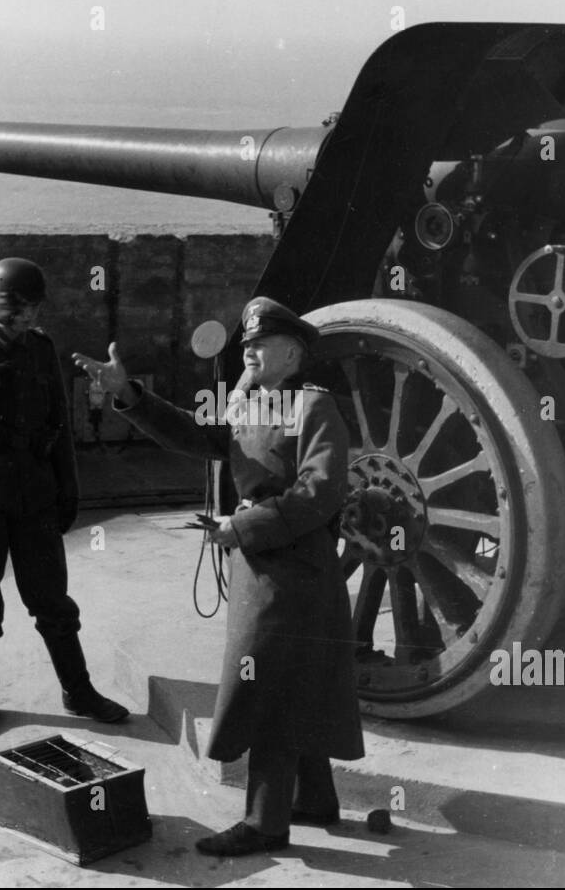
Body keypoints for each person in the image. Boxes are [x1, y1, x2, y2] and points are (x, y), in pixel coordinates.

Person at [72, 297, 364, 856]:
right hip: (264, 570)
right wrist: (128, 394)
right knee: (292, 681)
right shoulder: (251, 405)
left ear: (291, 353)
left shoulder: (313, 408)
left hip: (295, 574)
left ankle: (264, 823)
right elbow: (196, 437)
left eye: (259, 345)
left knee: (269, 689)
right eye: (246, 344)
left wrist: (245, 525)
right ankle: (314, 800)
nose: (248, 351)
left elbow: (319, 494)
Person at [0, 257, 128, 733]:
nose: (30, 317)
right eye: (20, 307)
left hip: (34, 493)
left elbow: (59, 422)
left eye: (35, 307)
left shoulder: (40, 348)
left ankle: (79, 691)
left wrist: (68, 488)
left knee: (53, 602)